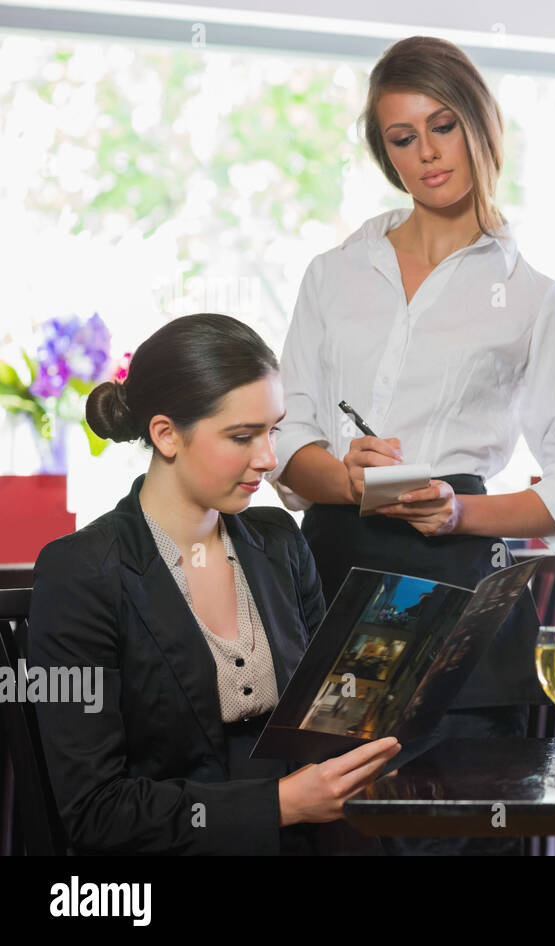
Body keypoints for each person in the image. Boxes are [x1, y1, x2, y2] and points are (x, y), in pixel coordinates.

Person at [266, 36, 555, 854]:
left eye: (441, 126)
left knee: (459, 833)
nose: (426, 154)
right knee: (336, 832)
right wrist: (347, 479)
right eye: (401, 137)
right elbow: (287, 439)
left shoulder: (534, 300)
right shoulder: (333, 273)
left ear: (479, 125)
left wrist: (458, 510)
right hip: (330, 579)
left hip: (463, 594)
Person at [27, 314, 400, 855]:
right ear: (165, 434)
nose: (269, 459)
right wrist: (281, 804)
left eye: (273, 430)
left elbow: (326, 723)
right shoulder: (83, 572)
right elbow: (96, 812)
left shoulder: (279, 544)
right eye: (241, 437)